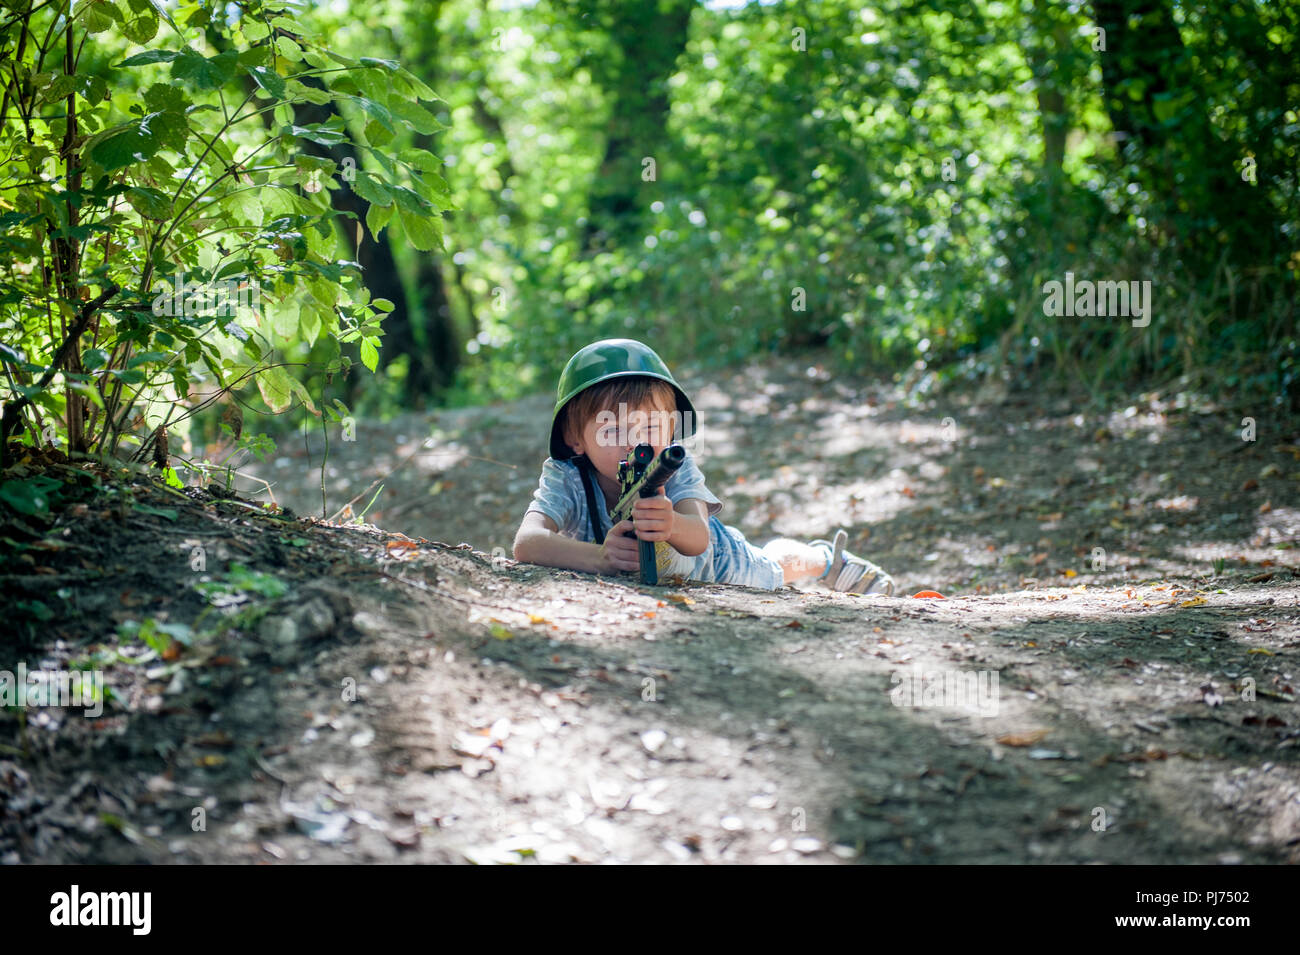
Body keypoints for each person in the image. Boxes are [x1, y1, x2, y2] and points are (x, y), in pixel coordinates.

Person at [512, 338, 895, 594]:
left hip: (717, 563)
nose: (633, 443)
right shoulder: (567, 475)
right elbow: (526, 542)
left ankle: (824, 560)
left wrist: (670, 523)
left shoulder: (673, 465)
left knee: (773, 571)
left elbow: (698, 538)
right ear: (575, 438)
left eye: (649, 427)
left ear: (670, 429)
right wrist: (601, 558)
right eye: (612, 429)